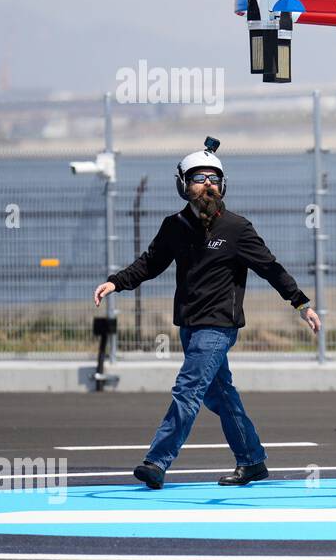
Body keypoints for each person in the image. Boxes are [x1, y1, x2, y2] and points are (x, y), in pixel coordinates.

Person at [93, 138, 320, 490]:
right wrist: (116, 282)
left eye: (214, 179)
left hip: (218, 327)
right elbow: (149, 263)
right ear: (184, 185)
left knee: (188, 389)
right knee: (220, 395)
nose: (207, 185)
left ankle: (157, 461)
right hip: (189, 325)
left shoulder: (237, 229)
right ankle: (252, 460)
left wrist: (301, 303)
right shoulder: (174, 226)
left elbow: (270, 268)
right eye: (199, 178)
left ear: (223, 185)